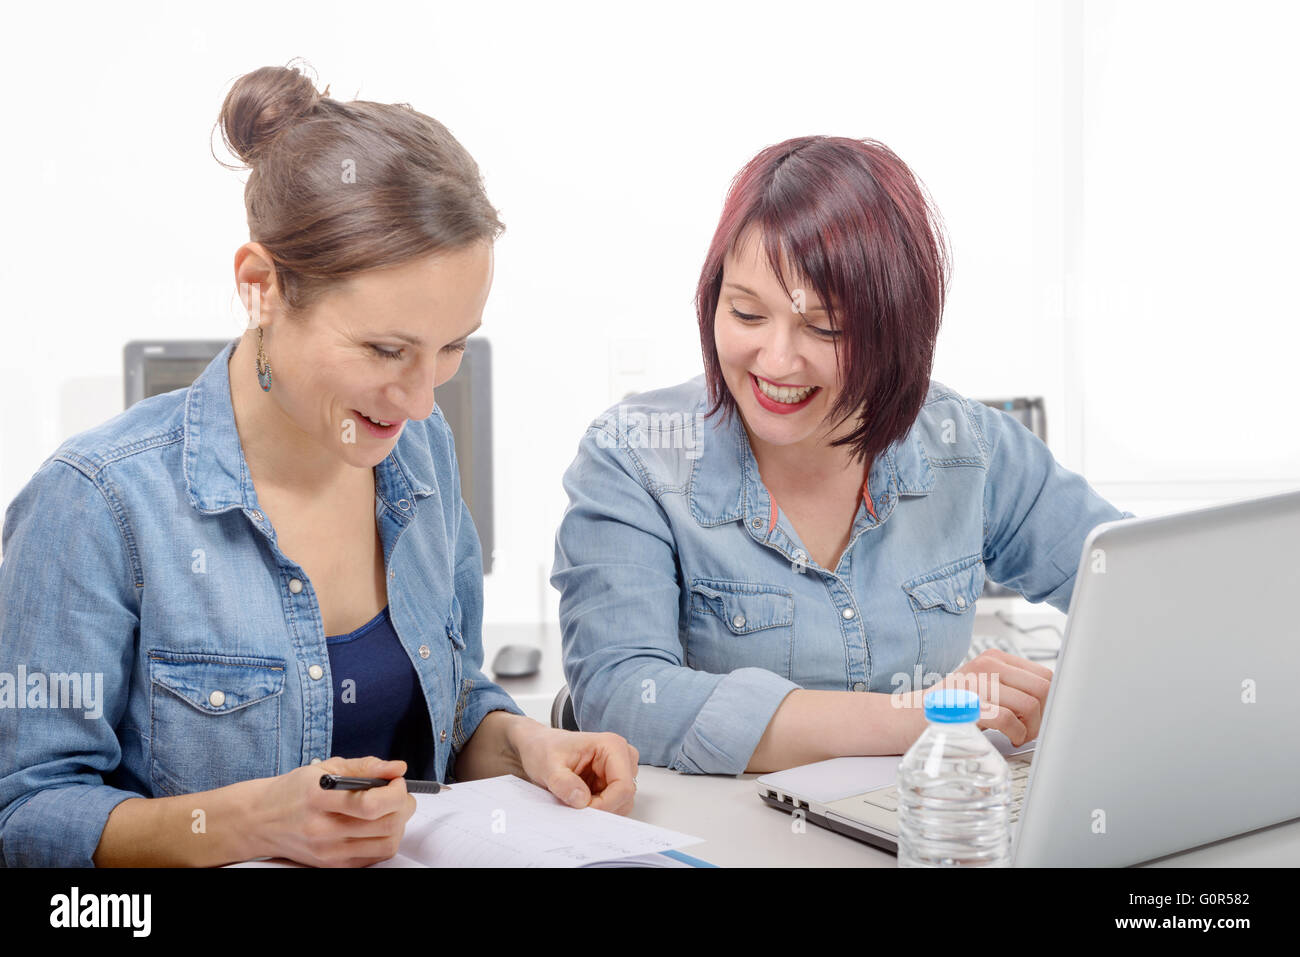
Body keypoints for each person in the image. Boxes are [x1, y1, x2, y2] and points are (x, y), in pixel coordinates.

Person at [0, 62, 636, 868]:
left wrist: (525, 745)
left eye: (451, 349)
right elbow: (24, 816)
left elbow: (451, 699)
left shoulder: (420, 453)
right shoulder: (95, 504)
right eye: (384, 349)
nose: (421, 403)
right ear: (261, 288)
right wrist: (248, 821)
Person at [550, 135, 1136, 776]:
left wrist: (1061, 700)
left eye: (824, 328)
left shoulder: (966, 445)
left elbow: (1145, 592)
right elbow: (623, 696)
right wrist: (925, 713)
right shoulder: (634, 457)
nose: (775, 361)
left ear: (897, 329)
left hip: (913, 831)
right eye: (746, 314)